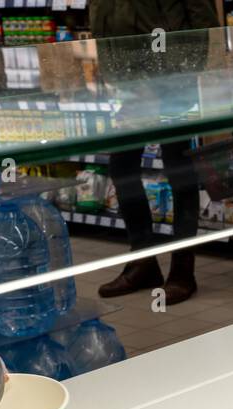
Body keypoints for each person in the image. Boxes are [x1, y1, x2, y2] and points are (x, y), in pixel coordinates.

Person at [89, 0, 219, 305]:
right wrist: (116, 75)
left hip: (172, 84)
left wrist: (177, 75)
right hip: (130, 85)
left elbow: (202, 20)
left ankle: (183, 271)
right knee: (122, 169)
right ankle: (143, 260)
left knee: (180, 172)